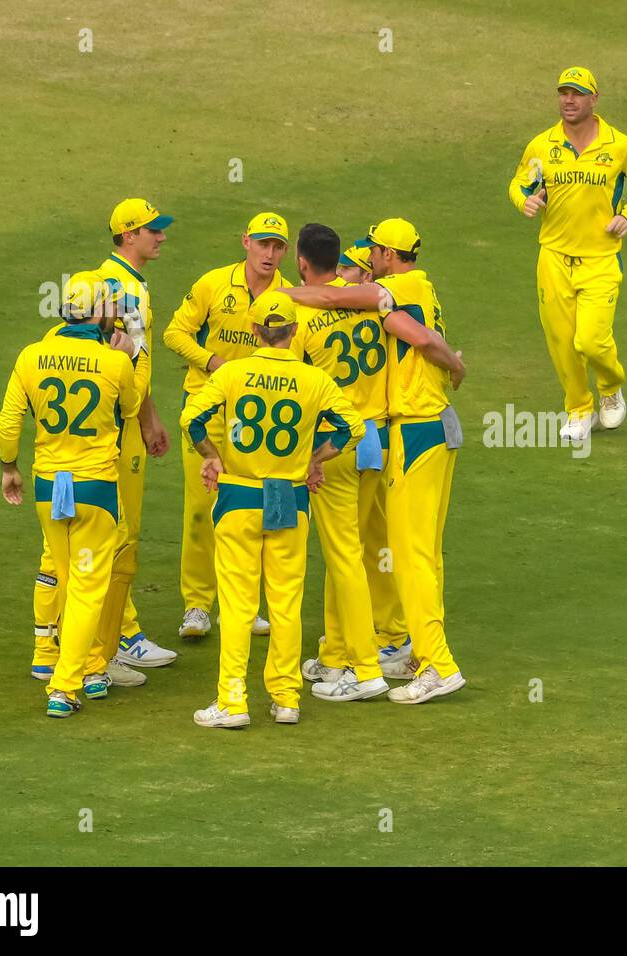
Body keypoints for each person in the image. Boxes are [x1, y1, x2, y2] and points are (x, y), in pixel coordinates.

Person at [282, 218, 468, 703]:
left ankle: (420, 665)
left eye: (375, 252)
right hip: (408, 429)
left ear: (388, 254)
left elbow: (335, 300)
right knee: (413, 552)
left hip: (398, 429)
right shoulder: (416, 286)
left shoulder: (389, 290)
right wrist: (455, 363)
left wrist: (289, 296)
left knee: (394, 555)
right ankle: (400, 653)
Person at [180, 291, 364, 727]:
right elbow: (351, 427)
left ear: (255, 329)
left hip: (239, 497)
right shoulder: (313, 379)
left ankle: (232, 700)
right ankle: (286, 699)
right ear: (294, 331)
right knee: (285, 603)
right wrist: (317, 460)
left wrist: (212, 456)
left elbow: (192, 420)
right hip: (290, 498)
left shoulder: (234, 374)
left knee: (239, 604)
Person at [30, 200, 178, 683]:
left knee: (79, 544)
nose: (160, 237)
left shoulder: (113, 283)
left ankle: (84, 640)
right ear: (127, 234)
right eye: (152, 230)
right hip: (110, 437)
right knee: (115, 539)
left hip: (83, 443)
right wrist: (146, 420)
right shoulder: (117, 290)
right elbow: (124, 362)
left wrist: (149, 416)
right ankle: (102, 652)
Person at [0, 272, 142, 718]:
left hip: (46, 488)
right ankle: (65, 685)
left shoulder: (32, 355)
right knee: (87, 590)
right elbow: (132, 408)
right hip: (95, 488)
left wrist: (9, 468)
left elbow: (7, 423)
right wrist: (127, 352)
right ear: (98, 313)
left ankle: (89, 666)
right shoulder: (114, 362)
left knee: (63, 578)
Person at [290, 224, 409, 702]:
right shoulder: (366, 297)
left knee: (343, 558)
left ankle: (365, 670)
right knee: (353, 553)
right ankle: (336, 654)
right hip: (376, 440)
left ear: (301, 263)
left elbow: (294, 385)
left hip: (334, 447)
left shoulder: (299, 311)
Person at [507, 66, 627, 441]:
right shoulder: (543, 145)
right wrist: (524, 200)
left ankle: (610, 388)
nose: (568, 100)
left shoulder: (618, 145)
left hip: (600, 258)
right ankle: (578, 409)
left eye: (576, 93)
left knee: (590, 340)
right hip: (554, 257)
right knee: (561, 339)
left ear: (594, 98)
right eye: (563, 93)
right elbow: (520, 181)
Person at [164, 213, 291, 640]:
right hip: (205, 409)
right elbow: (175, 333)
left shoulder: (289, 297)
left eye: (278, 247)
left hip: (255, 421)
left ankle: (244, 604)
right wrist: (215, 363)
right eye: (263, 244)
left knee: (247, 509)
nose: (269, 254)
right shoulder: (213, 284)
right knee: (202, 508)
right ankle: (197, 605)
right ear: (246, 242)